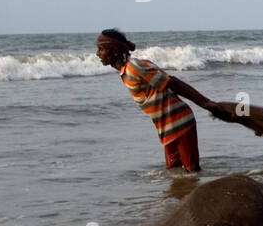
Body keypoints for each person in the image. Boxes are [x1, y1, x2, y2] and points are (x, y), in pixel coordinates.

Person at [95, 28, 232, 172]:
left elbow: (173, 83)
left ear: (115, 51)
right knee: (175, 172)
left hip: (180, 123)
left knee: (192, 172)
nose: (97, 54)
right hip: (167, 129)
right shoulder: (125, 72)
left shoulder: (135, 67)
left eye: (100, 49)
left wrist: (206, 103)